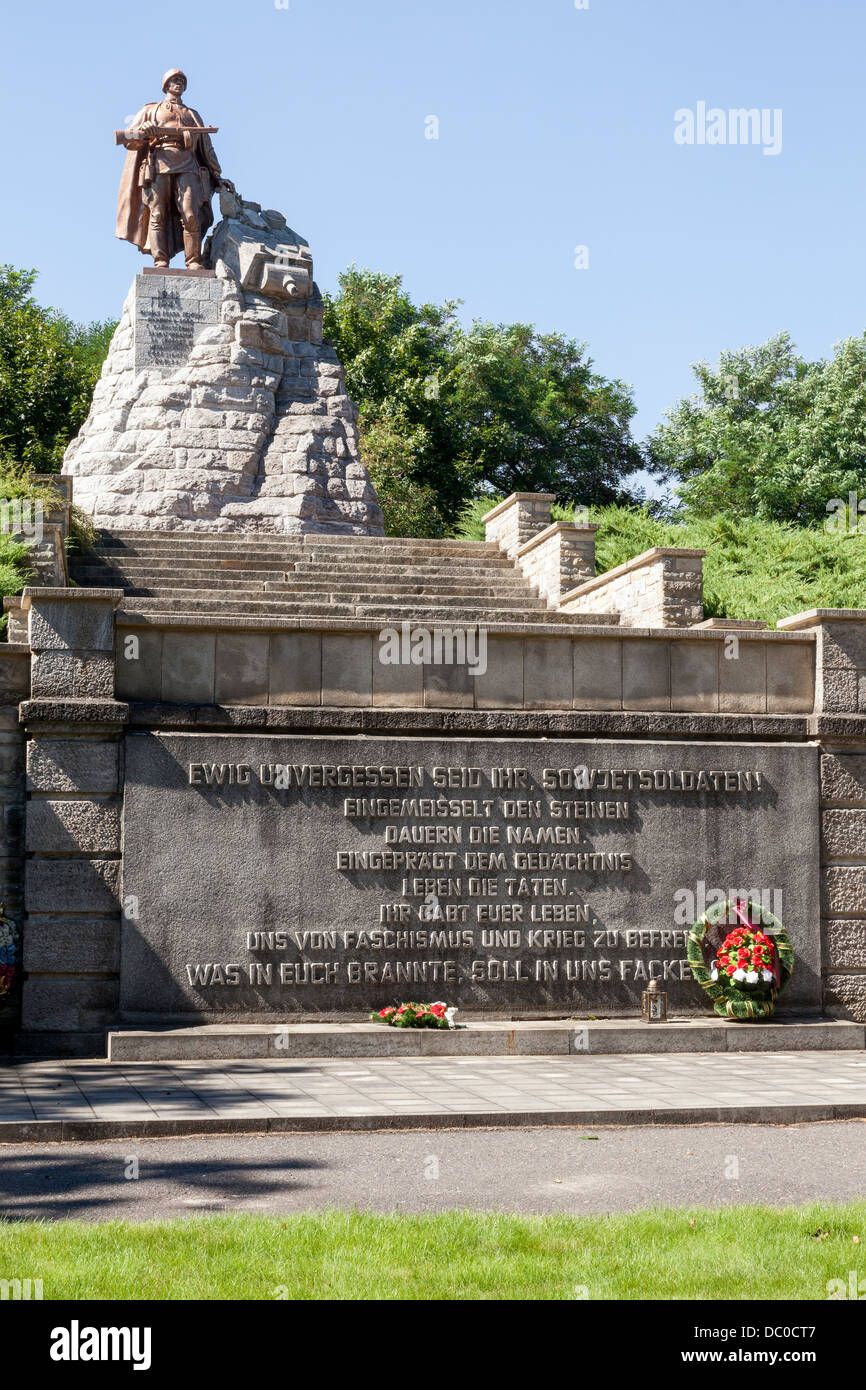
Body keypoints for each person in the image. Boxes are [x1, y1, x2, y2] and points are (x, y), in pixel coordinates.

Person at [115, 69, 235, 269]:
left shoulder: (191, 114)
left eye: (181, 80)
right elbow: (130, 141)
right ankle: (160, 260)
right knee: (158, 214)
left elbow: (207, 147)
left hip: (187, 165)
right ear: (166, 85)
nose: (178, 83)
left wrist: (217, 175)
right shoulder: (151, 110)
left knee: (190, 214)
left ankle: (193, 261)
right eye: (174, 80)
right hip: (158, 165)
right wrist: (146, 132)